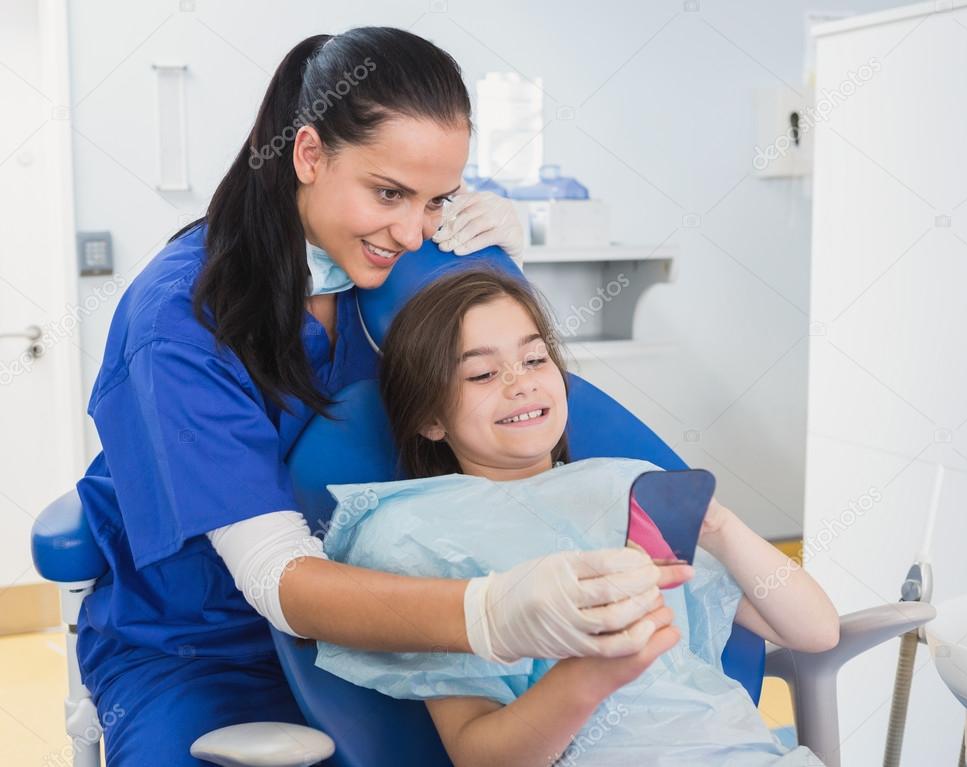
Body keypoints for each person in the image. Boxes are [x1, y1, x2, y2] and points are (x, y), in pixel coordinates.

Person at [76, 28, 686, 765]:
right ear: (307, 155)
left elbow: (514, 421)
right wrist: (491, 610)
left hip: (411, 623)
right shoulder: (178, 325)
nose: (411, 229)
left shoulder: (405, 274)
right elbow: (276, 577)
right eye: (389, 192)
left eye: (439, 198)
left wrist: (500, 266)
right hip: (210, 648)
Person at [315, 268, 840, 765]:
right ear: (430, 418)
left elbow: (815, 631)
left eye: (536, 360)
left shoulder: (626, 485)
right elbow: (478, 756)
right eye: (481, 373)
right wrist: (591, 675)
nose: (520, 384)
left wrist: (722, 530)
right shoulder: (414, 534)